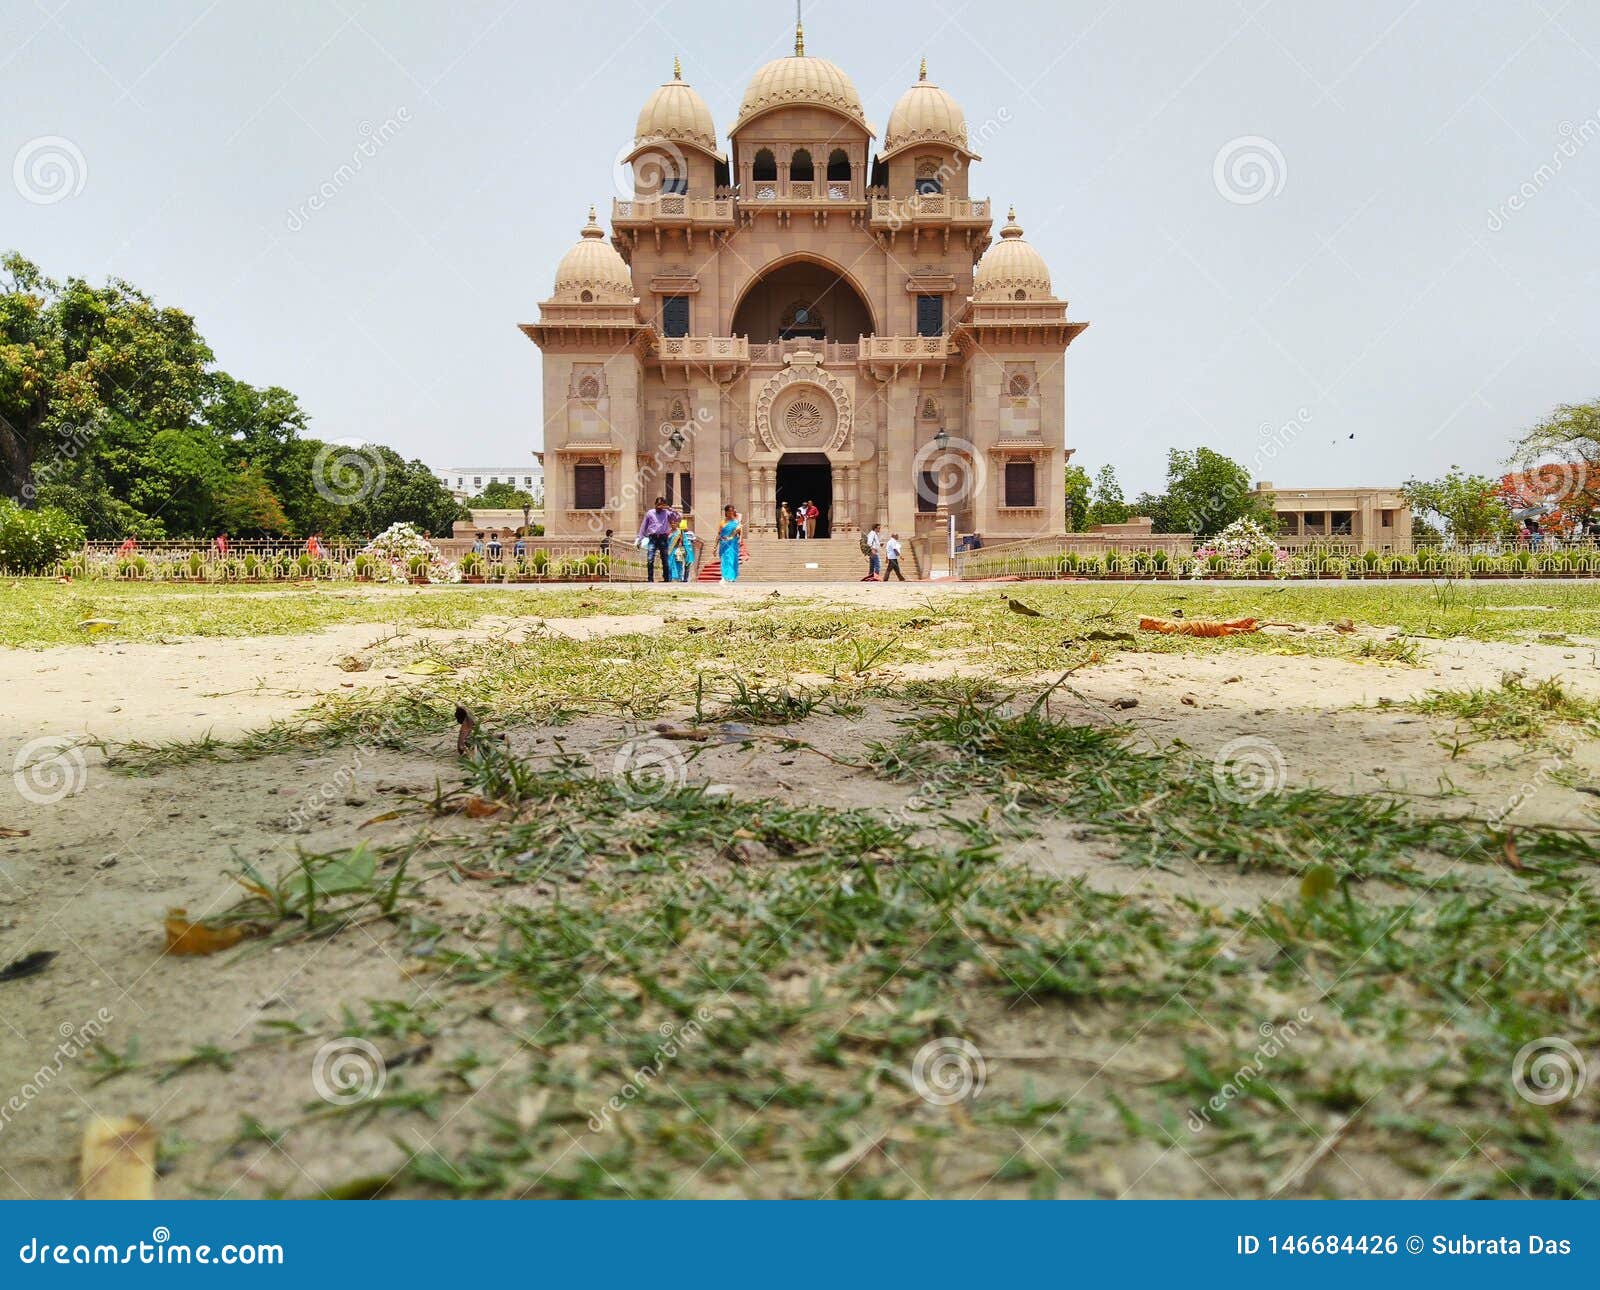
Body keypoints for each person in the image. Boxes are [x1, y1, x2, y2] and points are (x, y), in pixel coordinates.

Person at [637, 496, 680, 583]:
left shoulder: (667, 513)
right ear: (655, 504)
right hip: (653, 538)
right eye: (658, 504)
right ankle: (650, 579)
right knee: (650, 558)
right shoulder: (650, 513)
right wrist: (639, 539)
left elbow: (678, 518)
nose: (659, 506)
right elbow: (643, 526)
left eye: (661, 505)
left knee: (664, 559)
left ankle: (666, 578)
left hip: (663, 538)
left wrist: (670, 509)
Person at [718, 505, 743, 582]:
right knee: (725, 559)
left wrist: (740, 540)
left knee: (732, 559)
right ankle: (725, 576)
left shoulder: (736, 522)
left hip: (733, 543)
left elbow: (740, 532)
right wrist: (715, 547)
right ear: (726, 512)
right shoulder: (722, 523)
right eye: (729, 511)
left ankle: (732, 577)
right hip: (723, 543)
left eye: (732, 511)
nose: (730, 512)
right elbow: (719, 534)